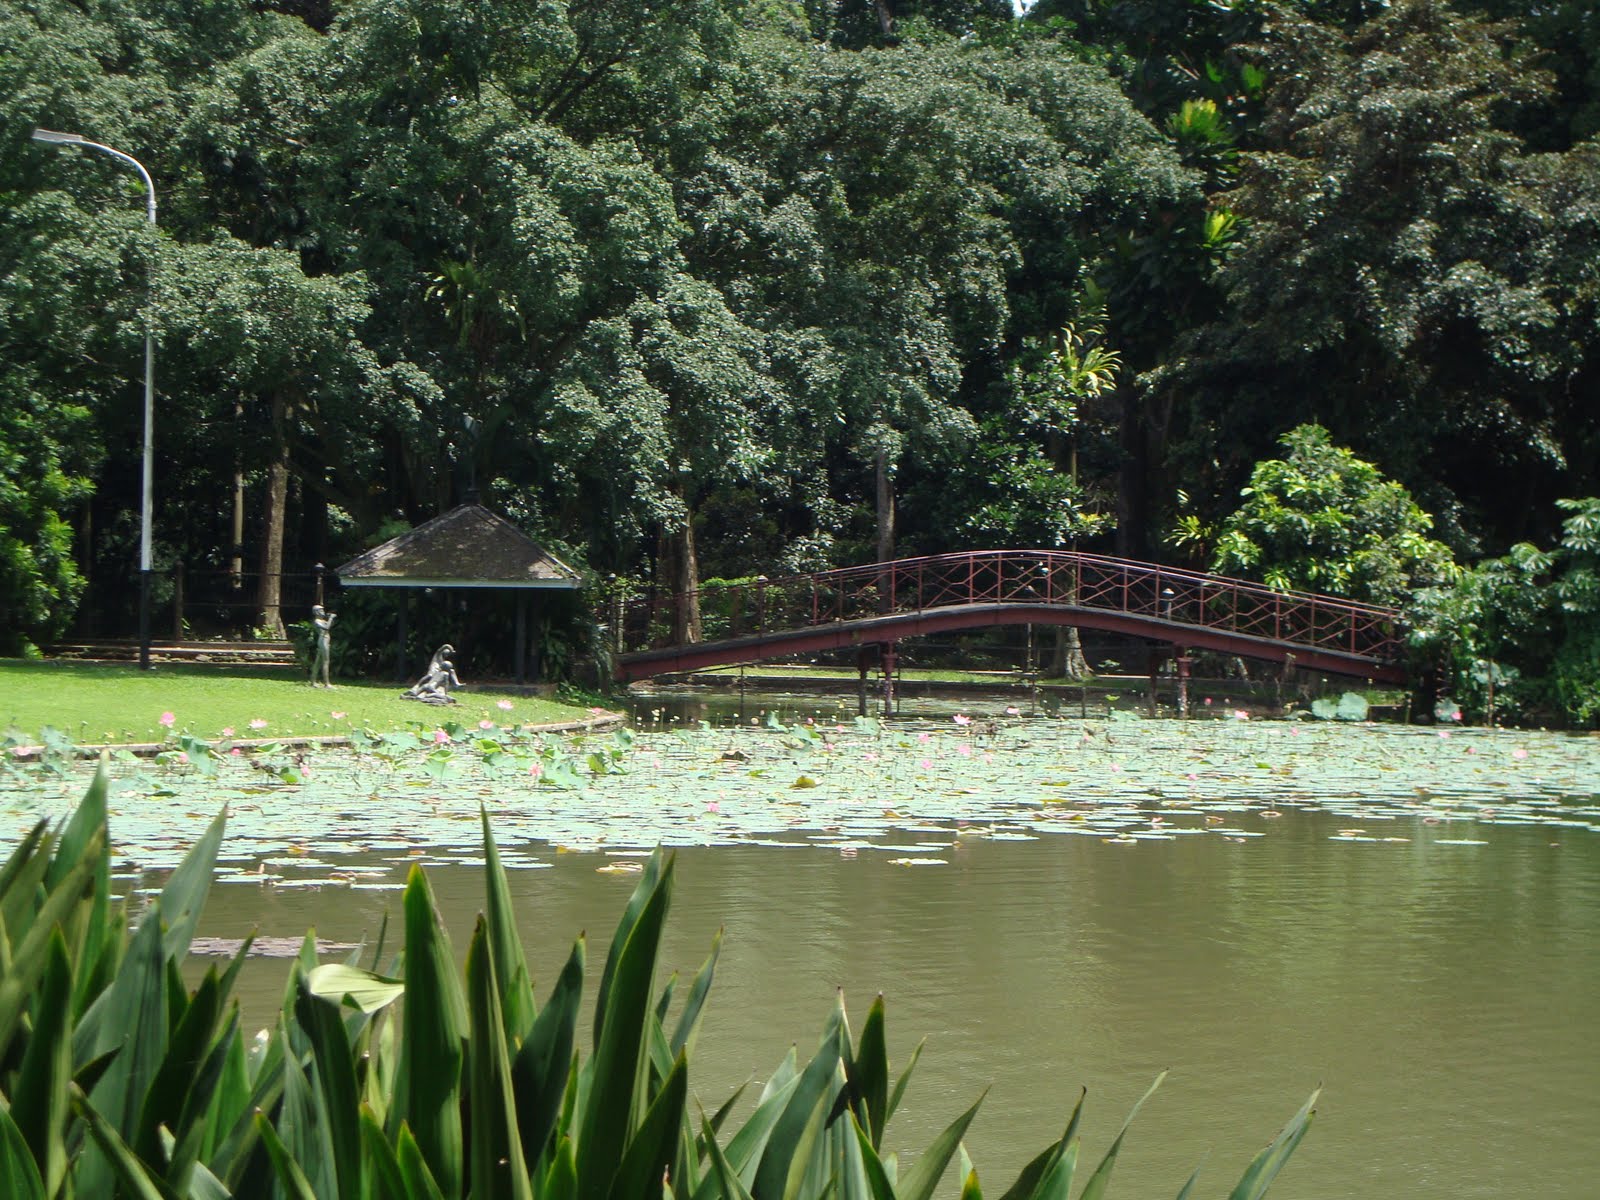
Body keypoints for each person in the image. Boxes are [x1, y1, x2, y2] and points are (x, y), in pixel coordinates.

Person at [310, 605, 336, 688]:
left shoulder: (322, 620)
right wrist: (330, 618)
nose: (323, 612)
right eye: (321, 611)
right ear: (316, 612)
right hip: (323, 641)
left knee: (318, 662)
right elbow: (326, 628)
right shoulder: (317, 621)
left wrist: (331, 618)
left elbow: (330, 625)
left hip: (325, 640)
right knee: (325, 662)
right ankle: (327, 683)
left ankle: (313, 682)